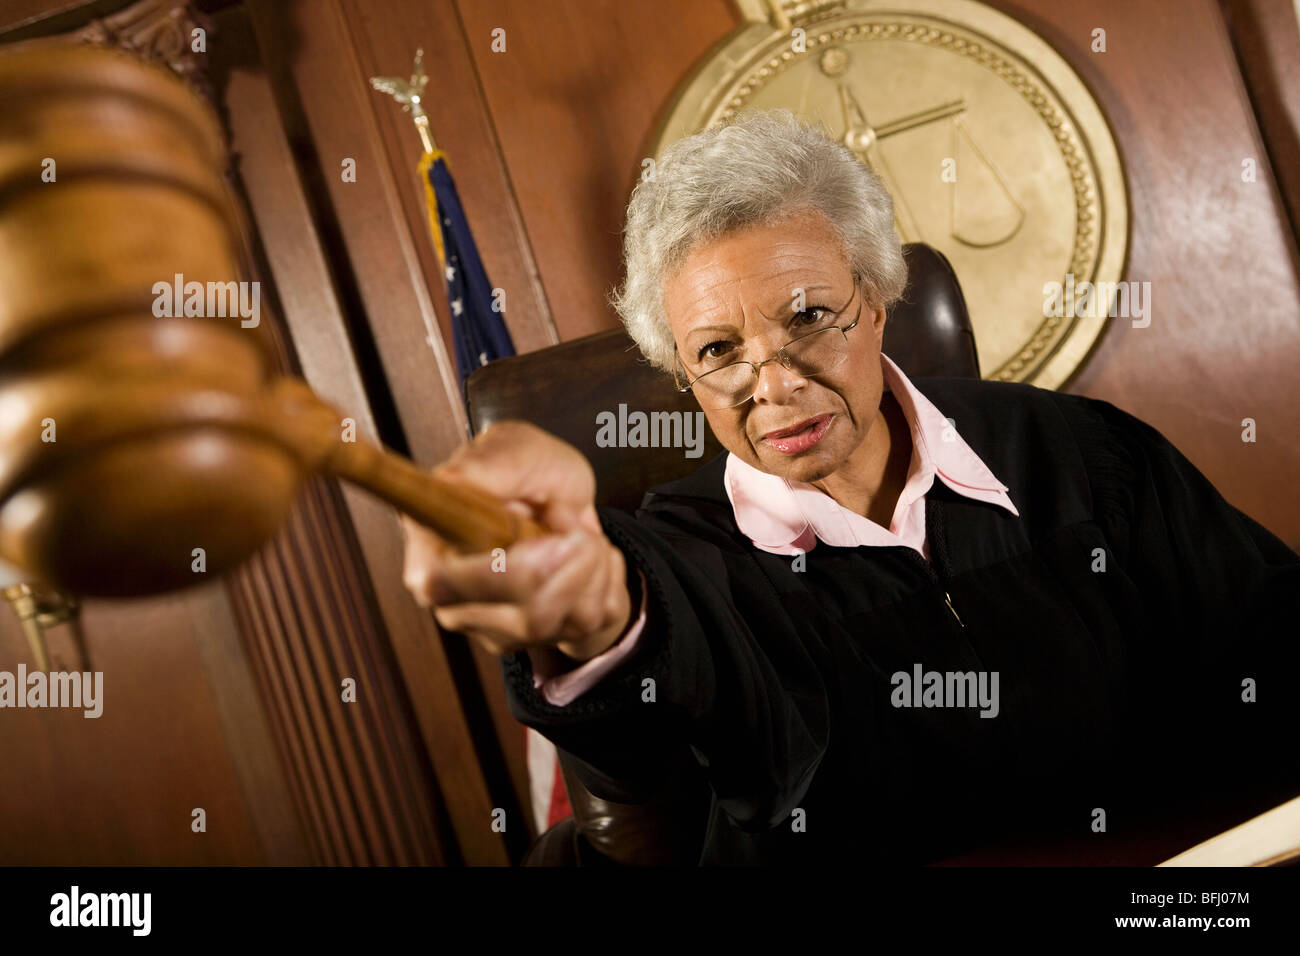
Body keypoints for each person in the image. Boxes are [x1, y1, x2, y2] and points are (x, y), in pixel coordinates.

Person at [401, 109, 1300, 865]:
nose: (773, 383)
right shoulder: (684, 569)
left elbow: (1274, 651)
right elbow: (649, 685)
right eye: (717, 352)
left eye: (808, 318)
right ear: (680, 372)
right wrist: (593, 609)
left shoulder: (1076, 451)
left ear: (877, 297)